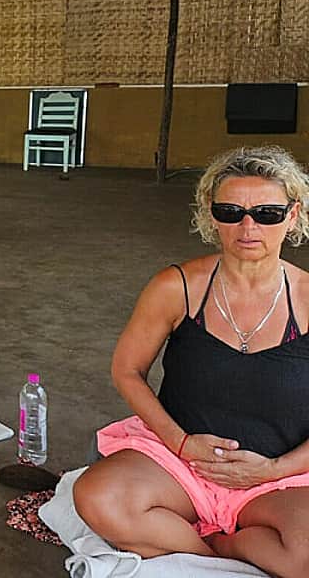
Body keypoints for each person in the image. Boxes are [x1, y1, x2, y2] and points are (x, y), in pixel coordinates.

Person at [74, 145, 309, 577]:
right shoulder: (176, 286)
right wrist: (182, 443)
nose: (248, 226)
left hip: (279, 476)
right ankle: (219, 553)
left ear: (292, 216)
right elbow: (127, 370)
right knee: (98, 497)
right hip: (180, 463)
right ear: (211, 214)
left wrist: (272, 468)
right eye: (231, 211)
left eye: (268, 213)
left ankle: (214, 542)